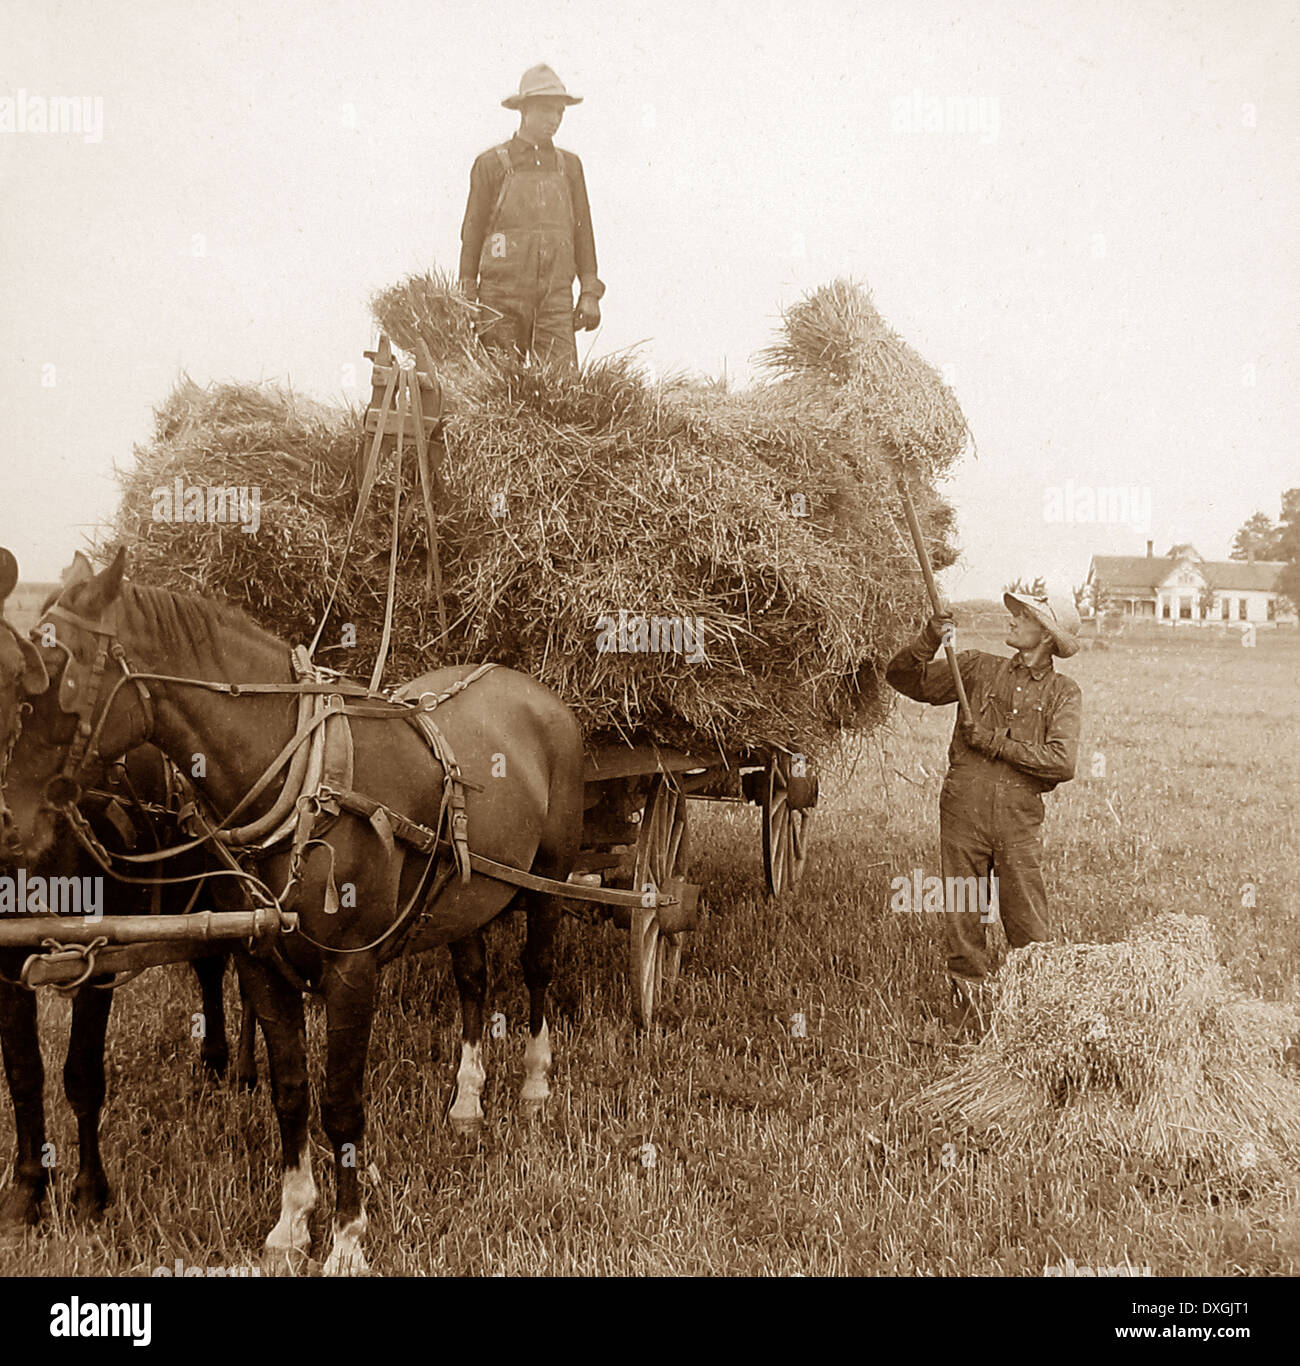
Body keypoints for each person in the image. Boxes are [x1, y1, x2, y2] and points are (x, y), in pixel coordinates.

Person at [886, 591, 1083, 1036]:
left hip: (1018, 819)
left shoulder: (1063, 693)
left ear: (1047, 636)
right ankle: (967, 1020)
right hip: (963, 811)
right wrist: (929, 638)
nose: (1011, 620)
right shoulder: (973, 667)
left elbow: (1061, 762)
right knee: (963, 914)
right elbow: (901, 677)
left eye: (1024, 616)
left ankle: (1034, 1021)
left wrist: (991, 742)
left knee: (1027, 922)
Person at [458, 64, 604, 369]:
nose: (554, 120)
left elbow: (583, 233)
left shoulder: (570, 167)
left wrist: (589, 292)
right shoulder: (491, 165)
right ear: (524, 110)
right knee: (496, 398)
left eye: (560, 112)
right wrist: (467, 293)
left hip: (555, 303)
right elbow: (472, 234)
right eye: (546, 111)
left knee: (562, 396)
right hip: (499, 304)